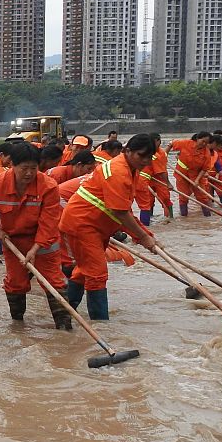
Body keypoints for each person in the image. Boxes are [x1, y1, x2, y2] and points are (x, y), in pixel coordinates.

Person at [0, 143, 70, 329]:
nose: (29, 173)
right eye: (24, 168)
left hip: (45, 243)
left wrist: (36, 247)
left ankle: (64, 328)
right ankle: (18, 326)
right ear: (12, 165)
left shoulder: (48, 186)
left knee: (54, 282)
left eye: (33, 168)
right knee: (16, 284)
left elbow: (49, 222)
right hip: (13, 241)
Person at [58, 134, 158, 320]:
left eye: (149, 157)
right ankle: (100, 324)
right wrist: (143, 238)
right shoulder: (118, 171)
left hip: (98, 225)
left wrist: (144, 233)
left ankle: (64, 313)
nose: (145, 161)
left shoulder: (130, 168)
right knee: (96, 274)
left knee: (83, 270)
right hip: (83, 224)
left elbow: (124, 208)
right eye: (141, 155)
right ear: (127, 151)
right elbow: (119, 211)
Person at [167, 132, 216, 217]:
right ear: (197, 139)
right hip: (182, 174)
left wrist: (197, 180)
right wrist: (164, 154)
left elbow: (205, 169)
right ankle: (184, 217)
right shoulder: (186, 143)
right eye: (203, 141)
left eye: (206, 143)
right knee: (183, 197)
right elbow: (172, 143)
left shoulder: (206, 153)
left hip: (196, 176)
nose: (204, 144)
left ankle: (207, 218)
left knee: (202, 197)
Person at [135, 132, 172, 224]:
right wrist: (169, 184)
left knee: (165, 199)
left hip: (156, 178)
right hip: (145, 179)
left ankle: (170, 219)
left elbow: (162, 167)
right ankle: (147, 223)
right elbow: (161, 171)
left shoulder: (158, 152)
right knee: (147, 203)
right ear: (156, 141)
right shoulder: (151, 153)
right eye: (159, 141)